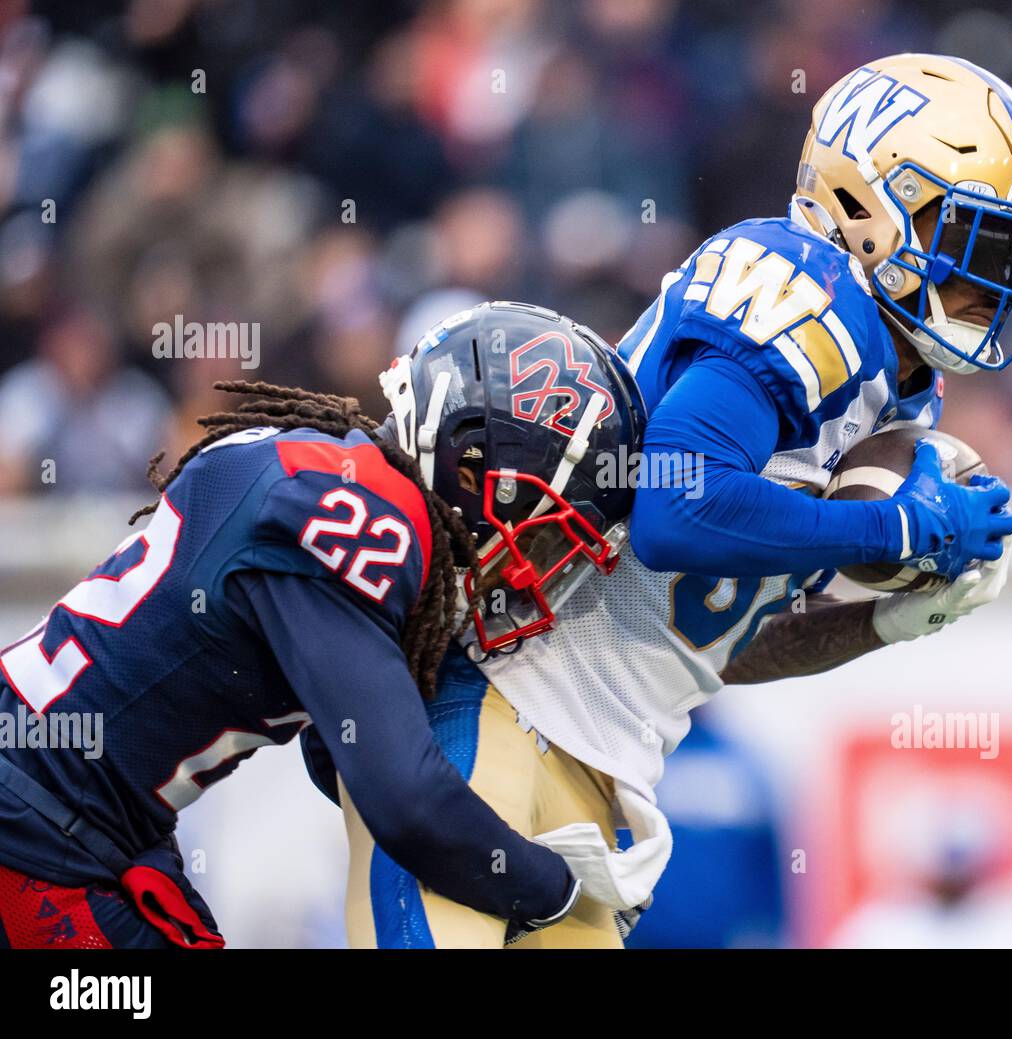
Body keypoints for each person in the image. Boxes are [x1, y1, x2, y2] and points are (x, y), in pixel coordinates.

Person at [347, 54, 1012, 947]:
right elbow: (675, 508)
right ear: (867, 208)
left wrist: (888, 618)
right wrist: (892, 526)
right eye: (969, 241)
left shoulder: (895, 390)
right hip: (494, 691)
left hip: (596, 762)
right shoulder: (803, 287)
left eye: (1009, 250)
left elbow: (725, 647)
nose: (984, 281)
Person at [0, 301, 645, 947]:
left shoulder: (315, 462)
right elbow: (408, 801)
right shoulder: (357, 526)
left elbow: (339, 752)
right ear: (473, 471)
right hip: (38, 828)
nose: (537, 565)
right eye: (545, 532)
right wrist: (561, 888)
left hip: (65, 815)